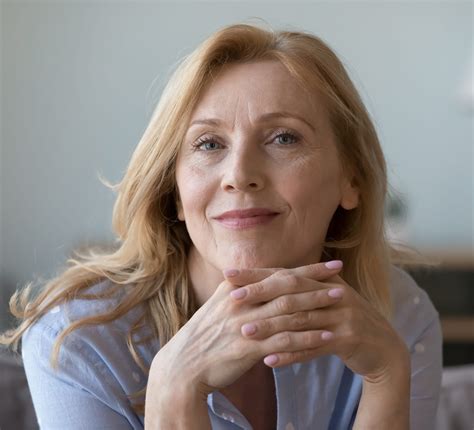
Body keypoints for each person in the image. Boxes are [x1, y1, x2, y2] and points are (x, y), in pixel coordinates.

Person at [1, 22, 442, 429]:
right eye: (209, 144)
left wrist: (387, 376)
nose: (239, 174)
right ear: (175, 191)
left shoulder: (399, 319)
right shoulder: (77, 342)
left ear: (352, 180)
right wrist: (174, 388)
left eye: (284, 138)